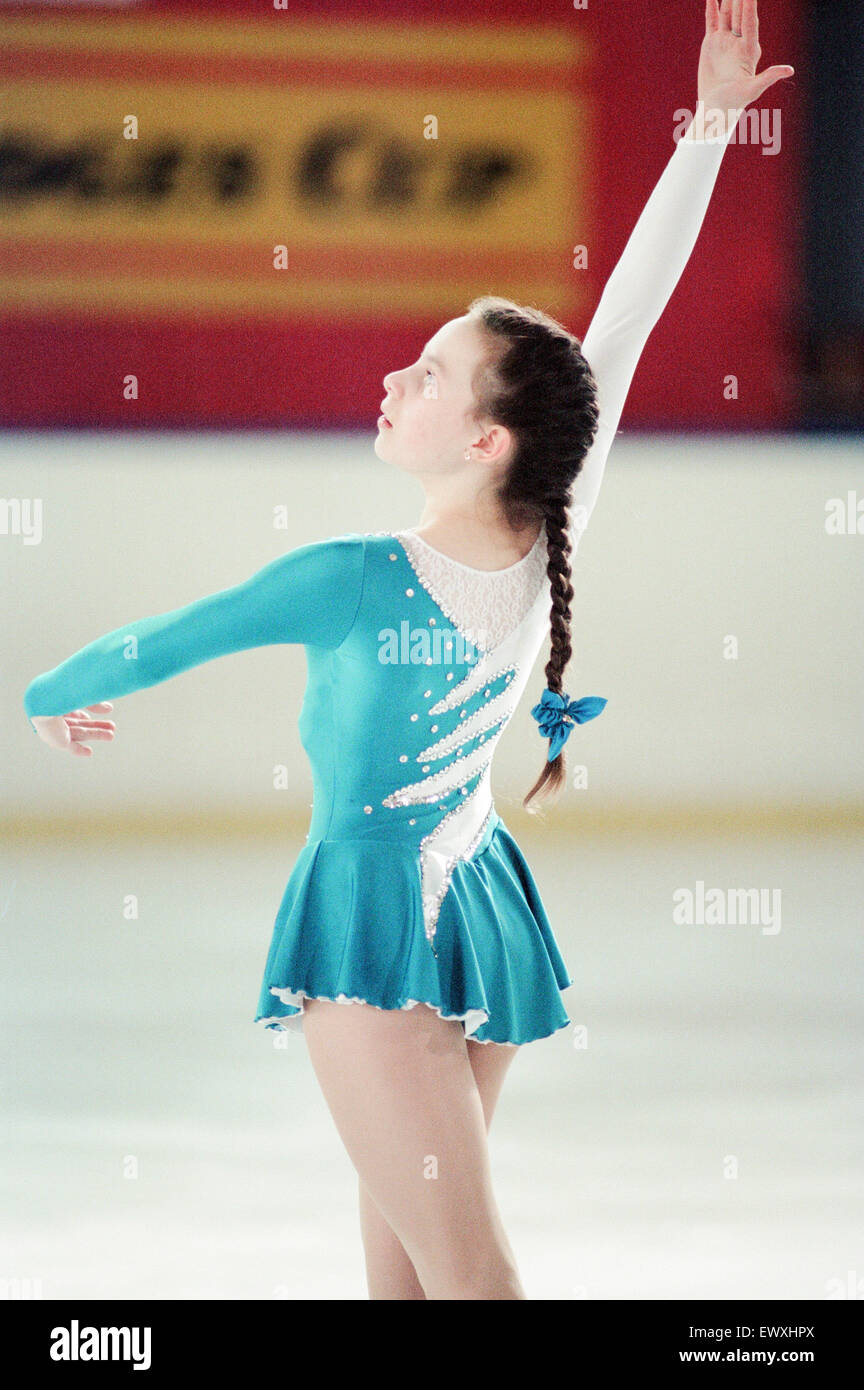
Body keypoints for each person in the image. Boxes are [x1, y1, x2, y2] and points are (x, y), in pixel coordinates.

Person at [23, 0, 792, 1301]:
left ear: (489, 438)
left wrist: (53, 690)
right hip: (456, 900)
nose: (395, 376)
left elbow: (165, 641)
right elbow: (628, 319)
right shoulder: (548, 514)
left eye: (432, 373)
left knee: (464, 1277)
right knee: (418, 1283)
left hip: (409, 907)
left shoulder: (354, 576)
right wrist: (710, 122)